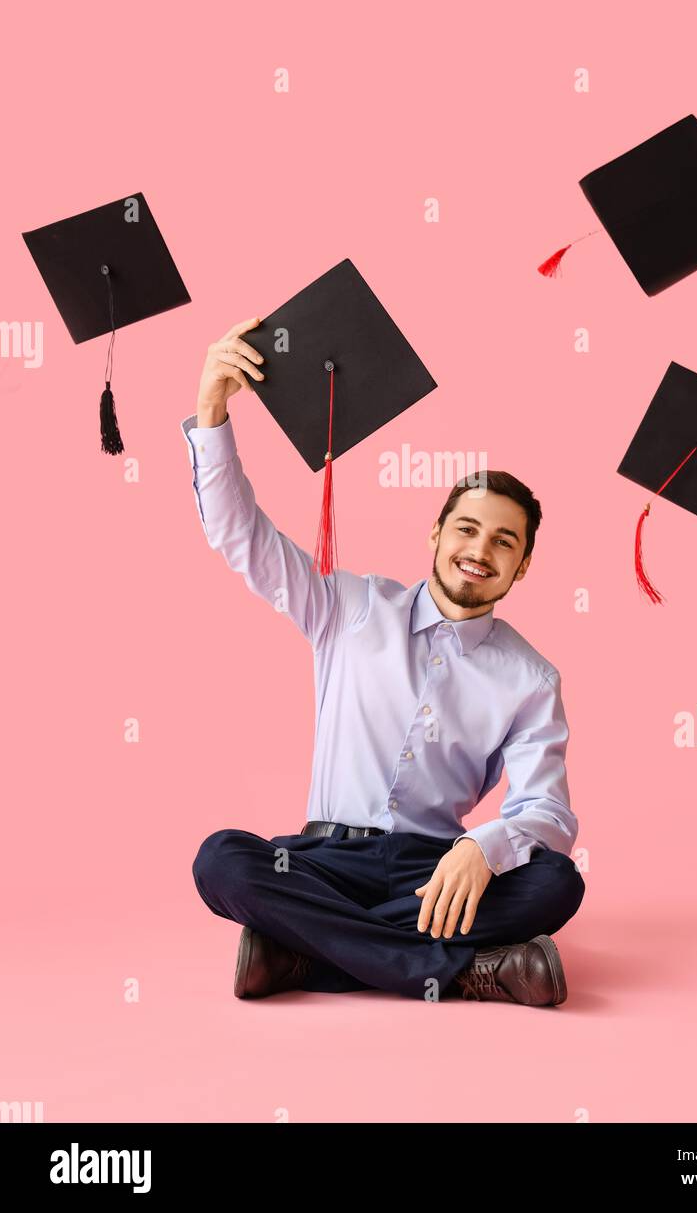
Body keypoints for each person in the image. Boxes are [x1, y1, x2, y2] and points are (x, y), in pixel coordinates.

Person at [185, 316, 585, 1005]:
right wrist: (212, 412)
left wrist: (484, 847)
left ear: (522, 566)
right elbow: (241, 537)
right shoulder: (349, 606)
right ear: (435, 533)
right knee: (222, 860)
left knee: (557, 882)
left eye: (503, 542)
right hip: (320, 862)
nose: (479, 551)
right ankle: (465, 972)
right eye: (466, 528)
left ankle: (303, 954)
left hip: (432, 873)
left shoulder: (530, 679)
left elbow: (547, 809)